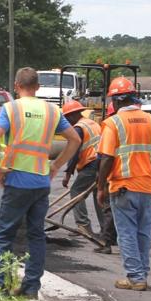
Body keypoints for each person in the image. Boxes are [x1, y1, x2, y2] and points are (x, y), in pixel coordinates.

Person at [0, 67, 81, 299]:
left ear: (16, 86)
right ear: (37, 87)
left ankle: (0, 288)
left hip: (16, 180)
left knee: (4, 236)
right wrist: (56, 165)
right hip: (41, 182)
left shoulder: (11, 108)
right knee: (36, 236)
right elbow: (75, 139)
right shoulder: (52, 111)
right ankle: (31, 288)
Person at [96, 77, 151, 291]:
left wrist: (100, 187)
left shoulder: (113, 123)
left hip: (123, 187)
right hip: (147, 186)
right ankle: (141, 274)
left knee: (126, 233)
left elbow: (107, 158)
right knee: (143, 233)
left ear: (116, 101)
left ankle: (135, 277)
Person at [60, 100, 103, 239]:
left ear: (73, 115)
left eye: (67, 118)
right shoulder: (92, 123)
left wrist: (68, 174)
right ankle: (106, 230)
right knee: (98, 195)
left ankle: (83, 225)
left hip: (91, 163)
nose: (67, 122)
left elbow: (74, 152)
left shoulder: (79, 128)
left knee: (76, 191)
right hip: (101, 163)